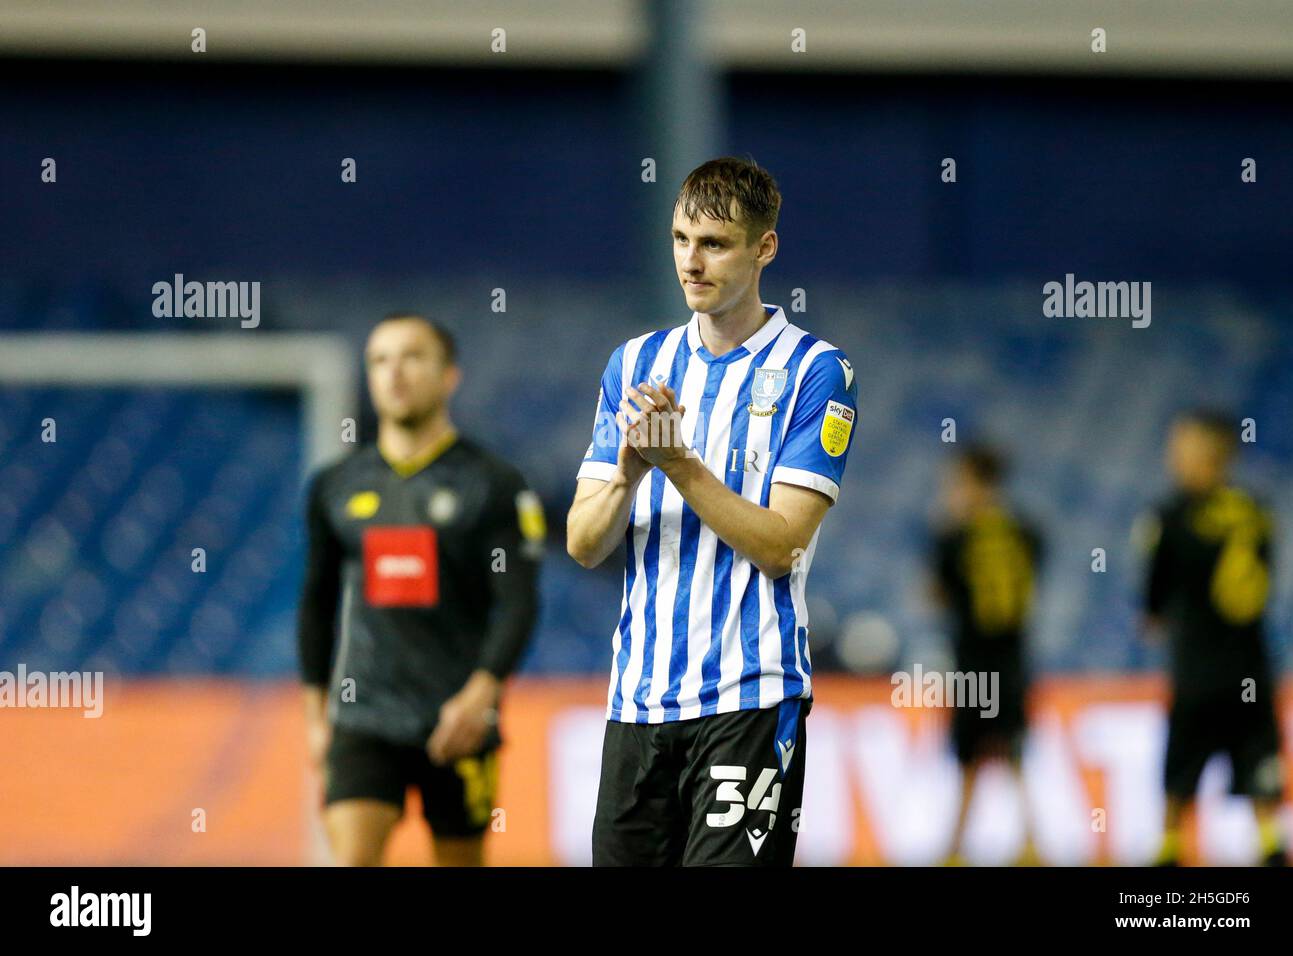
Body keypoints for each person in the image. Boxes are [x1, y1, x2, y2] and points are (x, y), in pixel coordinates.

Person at [567, 157, 859, 866]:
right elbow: (582, 542)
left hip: (749, 694)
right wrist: (629, 477)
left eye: (714, 244)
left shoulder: (817, 370)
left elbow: (782, 544)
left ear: (765, 248)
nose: (690, 263)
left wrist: (681, 466)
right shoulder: (636, 363)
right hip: (636, 702)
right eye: (679, 239)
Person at [297, 313, 544, 866]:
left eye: (412, 357)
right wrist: (316, 717)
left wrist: (480, 697)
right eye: (380, 360)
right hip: (364, 718)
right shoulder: (336, 486)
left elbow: (518, 601)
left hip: (456, 719)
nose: (395, 373)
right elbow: (315, 603)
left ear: (449, 375)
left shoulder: (493, 484)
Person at [1137, 409, 1286, 866]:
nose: (1173, 457)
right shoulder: (1257, 512)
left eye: (1182, 447)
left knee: (1182, 760)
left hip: (1198, 669)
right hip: (1252, 665)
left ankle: (1168, 847)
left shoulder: (1171, 516)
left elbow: (1153, 607)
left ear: (1208, 455)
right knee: (1257, 753)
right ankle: (1270, 844)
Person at [930, 445, 1043, 866]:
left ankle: (956, 849)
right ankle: (1030, 842)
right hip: (1013, 659)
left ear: (974, 482)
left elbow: (937, 596)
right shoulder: (1027, 532)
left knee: (968, 754)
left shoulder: (954, 536)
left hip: (973, 661)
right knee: (1012, 750)